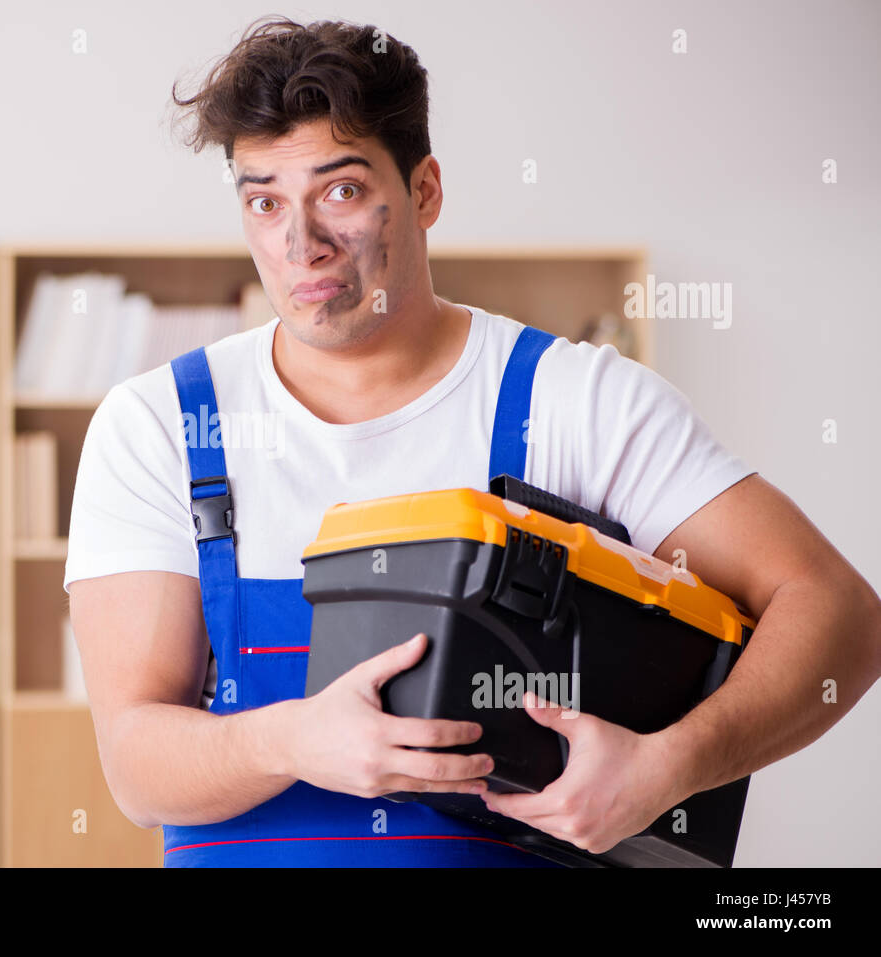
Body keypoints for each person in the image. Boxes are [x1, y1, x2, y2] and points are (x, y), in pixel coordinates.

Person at [63, 17, 881, 867]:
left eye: (339, 192)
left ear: (424, 192)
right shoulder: (163, 426)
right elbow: (135, 763)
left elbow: (839, 614)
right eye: (265, 201)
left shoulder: (575, 403)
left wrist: (666, 767)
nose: (299, 243)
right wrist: (296, 740)